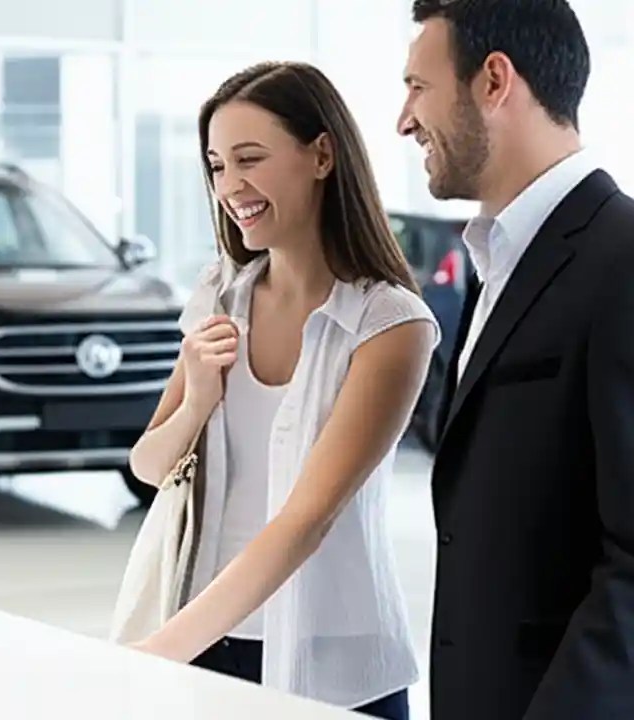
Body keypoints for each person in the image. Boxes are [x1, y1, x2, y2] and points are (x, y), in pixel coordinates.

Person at [126, 62, 437, 719]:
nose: (229, 186)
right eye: (215, 166)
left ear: (321, 154)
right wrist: (198, 400)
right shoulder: (219, 294)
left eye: (249, 159)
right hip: (210, 639)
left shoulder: (391, 325)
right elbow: (150, 468)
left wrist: (152, 655)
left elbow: (304, 523)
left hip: (338, 661)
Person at [399, 2, 634, 718]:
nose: (404, 120)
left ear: (494, 81)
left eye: (417, 86)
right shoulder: (496, 259)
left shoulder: (622, 259)